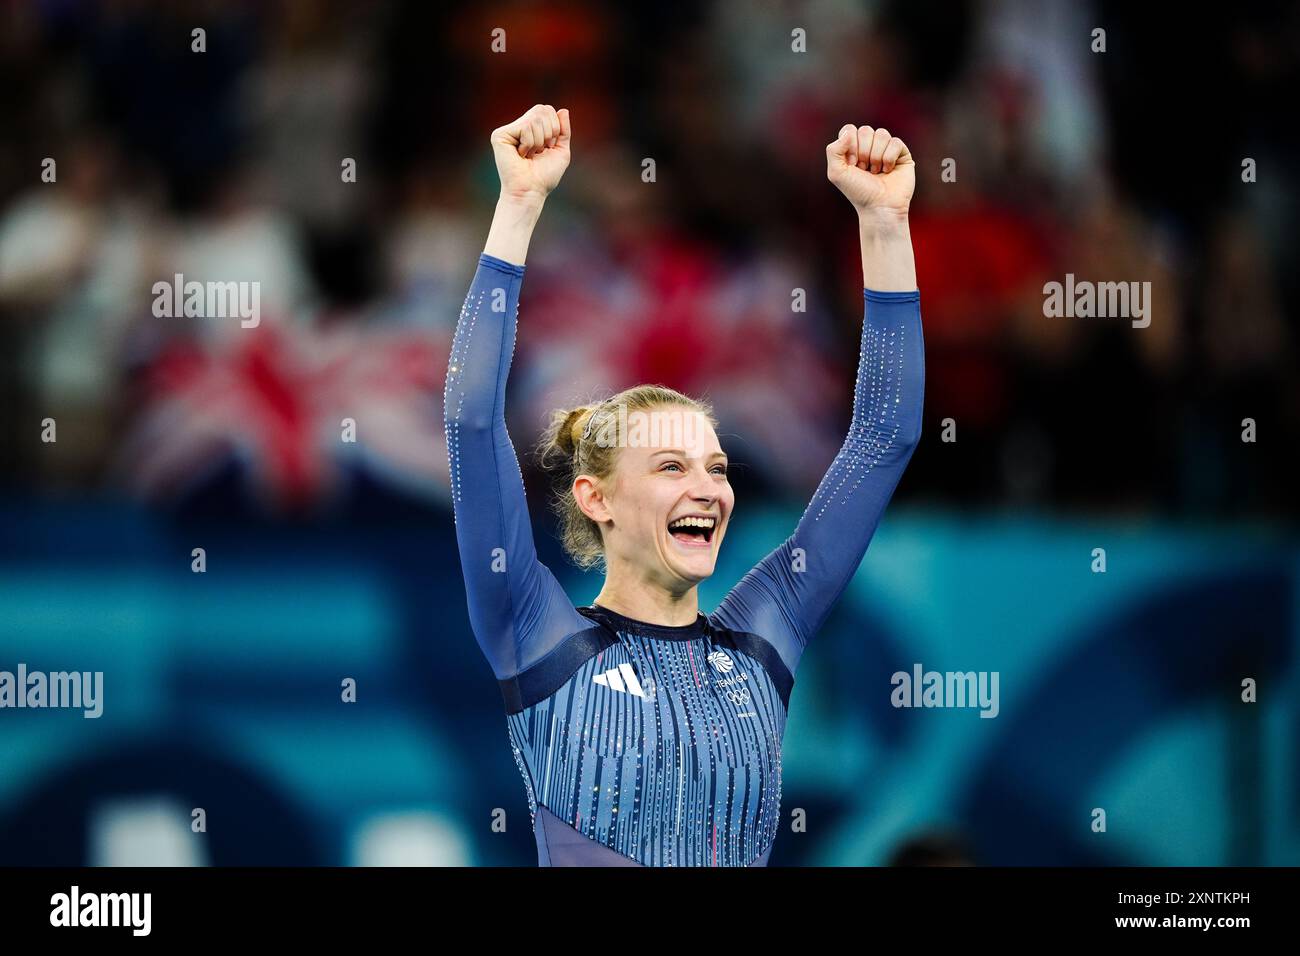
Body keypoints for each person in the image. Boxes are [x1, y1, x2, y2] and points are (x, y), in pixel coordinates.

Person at [444, 104, 923, 865]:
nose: (707, 488)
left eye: (717, 467)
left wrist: (885, 226)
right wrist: (520, 207)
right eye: (670, 467)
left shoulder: (767, 635)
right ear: (596, 498)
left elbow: (883, 438)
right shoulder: (535, 632)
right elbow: (472, 424)